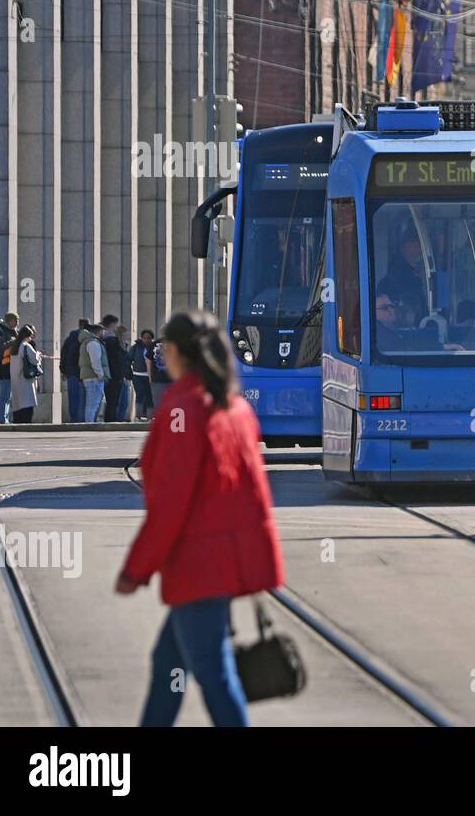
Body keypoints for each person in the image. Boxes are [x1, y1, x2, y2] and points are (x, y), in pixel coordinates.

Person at [115, 309, 285, 728]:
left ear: (175, 352)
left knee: (213, 674)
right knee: (168, 665)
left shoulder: (184, 408)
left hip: (199, 565)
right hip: (224, 558)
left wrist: (137, 569)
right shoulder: (232, 405)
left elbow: (171, 503)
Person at [377, 218, 429, 313]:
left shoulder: (430, 272)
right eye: (410, 247)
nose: (414, 251)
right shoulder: (390, 281)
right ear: (402, 249)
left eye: (417, 246)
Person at [9, 325, 42, 424]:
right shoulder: (26, 346)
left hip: (15, 379)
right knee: (27, 406)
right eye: (30, 336)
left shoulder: (15, 346)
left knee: (18, 405)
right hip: (25, 380)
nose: (31, 339)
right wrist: (39, 355)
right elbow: (35, 360)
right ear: (27, 336)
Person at [0, 312, 19, 423]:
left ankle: (6, 418)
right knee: (5, 396)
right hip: (4, 369)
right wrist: (11, 343)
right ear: (9, 320)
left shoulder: (14, 332)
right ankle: (3, 419)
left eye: (17, 320)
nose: (17, 323)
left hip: (12, 368)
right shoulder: (0, 331)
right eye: (15, 320)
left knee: (9, 396)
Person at [79, 323, 110, 423]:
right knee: (93, 404)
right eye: (103, 331)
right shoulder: (93, 343)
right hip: (94, 378)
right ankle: (90, 425)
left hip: (90, 377)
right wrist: (101, 375)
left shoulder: (86, 342)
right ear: (99, 331)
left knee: (96, 403)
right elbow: (95, 361)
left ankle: (92, 423)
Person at [102, 314, 129, 423]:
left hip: (110, 373)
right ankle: (111, 420)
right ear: (112, 324)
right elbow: (119, 357)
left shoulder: (104, 338)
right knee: (113, 400)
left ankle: (110, 418)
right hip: (115, 374)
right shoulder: (112, 339)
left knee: (111, 400)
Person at [61, 318, 88, 422]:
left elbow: (64, 355)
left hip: (71, 372)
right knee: (83, 398)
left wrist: (63, 370)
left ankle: (74, 419)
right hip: (83, 373)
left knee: (73, 398)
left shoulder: (70, 338)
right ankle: (81, 420)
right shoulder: (86, 339)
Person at [130, 329, 156, 420]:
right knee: (140, 395)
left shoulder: (154, 347)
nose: (146, 340)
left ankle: (150, 415)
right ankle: (138, 415)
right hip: (137, 375)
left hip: (149, 376)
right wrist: (129, 373)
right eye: (144, 338)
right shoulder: (135, 347)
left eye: (149, 338)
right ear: (141, 338)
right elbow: (128, 359)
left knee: (150, 396)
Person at [114, 324, 133, 420]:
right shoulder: (116, 345)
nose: (126, 336)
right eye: (125, 334)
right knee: (120, 401)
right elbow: (120, 362)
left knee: (125, 402)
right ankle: (118, 419)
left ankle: (120, 418)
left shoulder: (125, 345)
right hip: (119, 376)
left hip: (125, 376)